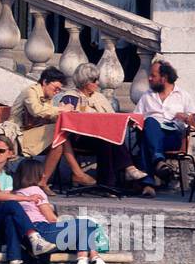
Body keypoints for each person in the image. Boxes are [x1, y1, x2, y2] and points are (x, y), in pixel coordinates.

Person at [12, 161, 120, 264]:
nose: (44, 176)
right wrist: (70, 223)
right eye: (41, 173)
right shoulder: (35, 190)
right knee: (88, 224)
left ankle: (94, 261)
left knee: (83, 233)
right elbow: (51, 218)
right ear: (34, 174)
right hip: (41, 230)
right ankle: (86, 262)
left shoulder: (16, 193)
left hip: (29, 237)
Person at [62, 62, 149, 194]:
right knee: (107, 138)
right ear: (85, 82)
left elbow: (112, 118)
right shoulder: (71, 97)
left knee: (109, 139)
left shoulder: (100, 97)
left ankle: (108, 185)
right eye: (94, 80)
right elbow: (69, 120)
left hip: (100, 136)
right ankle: (126, 170)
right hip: (80, 137)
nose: (98, 83)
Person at [9, 66, 95, 192]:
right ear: (44, 82)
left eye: (59, 90)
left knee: (59, 141)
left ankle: (43, 180)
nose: (56, 92)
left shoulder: (47, 97)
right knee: (59, 132)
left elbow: (48, 116)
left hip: (34, 134)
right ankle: (76, 173)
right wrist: (61, 110)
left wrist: (64, 112)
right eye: (56, 89)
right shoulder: (31, 91)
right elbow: (36, 111)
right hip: (19, 136)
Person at [133, 59, 195, 190]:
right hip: (151, 134)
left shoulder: (183, 96)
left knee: (147, 138)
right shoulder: (147, 96)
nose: (149, 78)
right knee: (150, 123)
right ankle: (157, 164)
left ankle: (149, 180)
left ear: (163, 78)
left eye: (153, 75)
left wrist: (186, 117)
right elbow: (136, 118)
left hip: (173, 137)